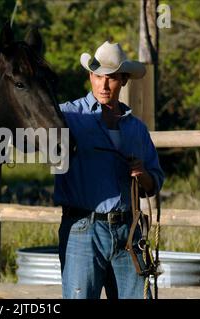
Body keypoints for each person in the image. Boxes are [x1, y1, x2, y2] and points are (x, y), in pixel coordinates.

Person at [54, 41, 164, 299]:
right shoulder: (68, 116)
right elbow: (28, 136)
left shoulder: (136, 128)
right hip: (83, 228)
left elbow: (154, 182)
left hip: (129, 229)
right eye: (98, 76)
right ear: (90, 76)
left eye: (112, 78)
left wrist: (143, 175)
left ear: (124, 80)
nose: (104, 85)